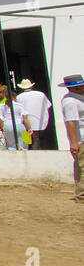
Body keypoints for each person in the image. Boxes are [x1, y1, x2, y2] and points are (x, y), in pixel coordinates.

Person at [58, 73, 84, 201]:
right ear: (76, 88)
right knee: (82, 166)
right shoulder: (70, 102)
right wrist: (74, 142)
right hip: (81, 139)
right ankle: (82, 195)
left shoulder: (78, 98)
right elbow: (71, 122)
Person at [16, 78, 51, 149]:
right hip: (42, 122)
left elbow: (18, 111)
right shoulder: (41, 94)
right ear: (31, 86)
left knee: (32, 143)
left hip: (28, 123)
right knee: (42, 142)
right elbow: (48, 106)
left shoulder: (19, 97)